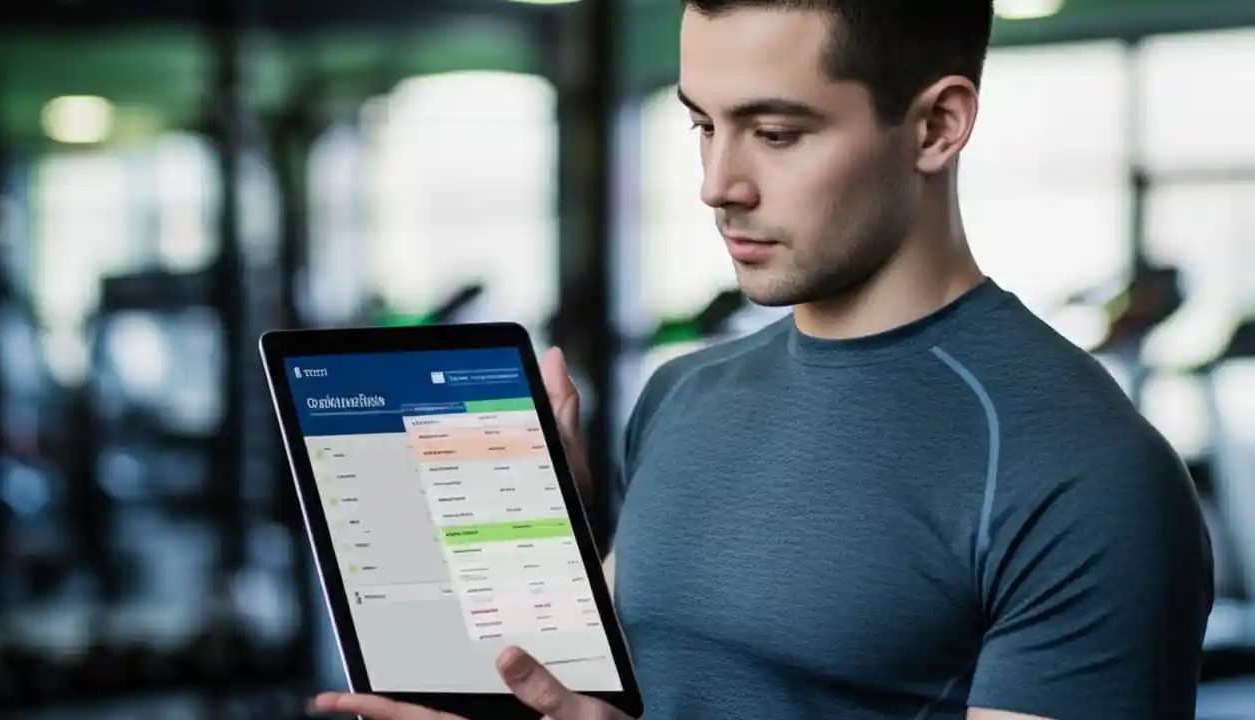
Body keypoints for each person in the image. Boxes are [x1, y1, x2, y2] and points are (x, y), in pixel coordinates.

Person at [309, 0, 1214, 718]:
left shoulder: (1086, 472)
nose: (718, 185)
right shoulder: (681, 396)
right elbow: (615, 688)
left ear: (937, 127)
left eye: (776, 133)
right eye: (703, 125)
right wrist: (538, 555)